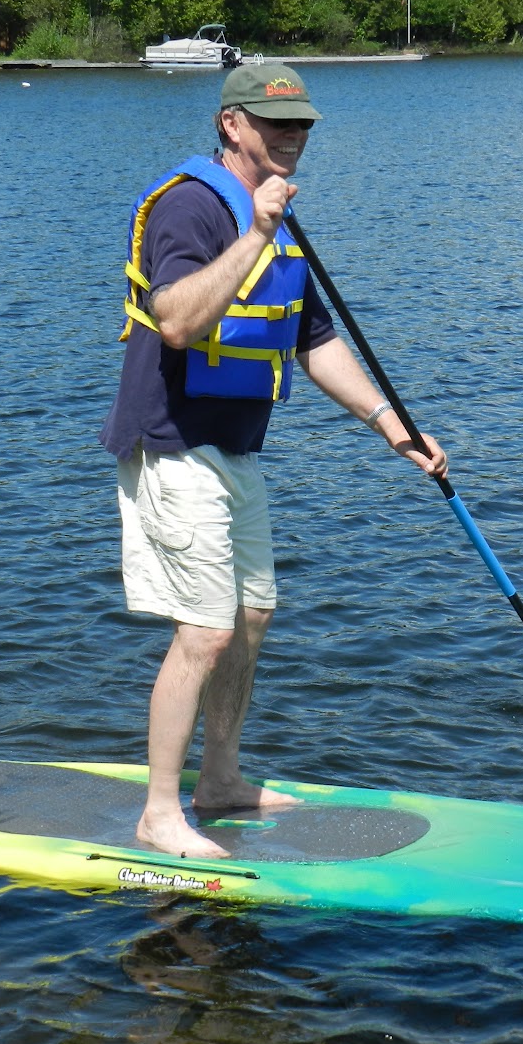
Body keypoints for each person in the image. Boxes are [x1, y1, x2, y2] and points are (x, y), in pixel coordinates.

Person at [99, 64, 449, 859]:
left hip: (235, 449)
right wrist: (254, 232)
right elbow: (178, 321)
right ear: (232, 125)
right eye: (275, 124)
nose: (293, 138)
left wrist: (392, 425)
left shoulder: (283, 216)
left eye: (302, 126)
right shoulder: (187, 206)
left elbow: (312, 340)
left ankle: (219, 780)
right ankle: (159, 813)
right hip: (172, 444)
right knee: (204, 633)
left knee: (251, 616)